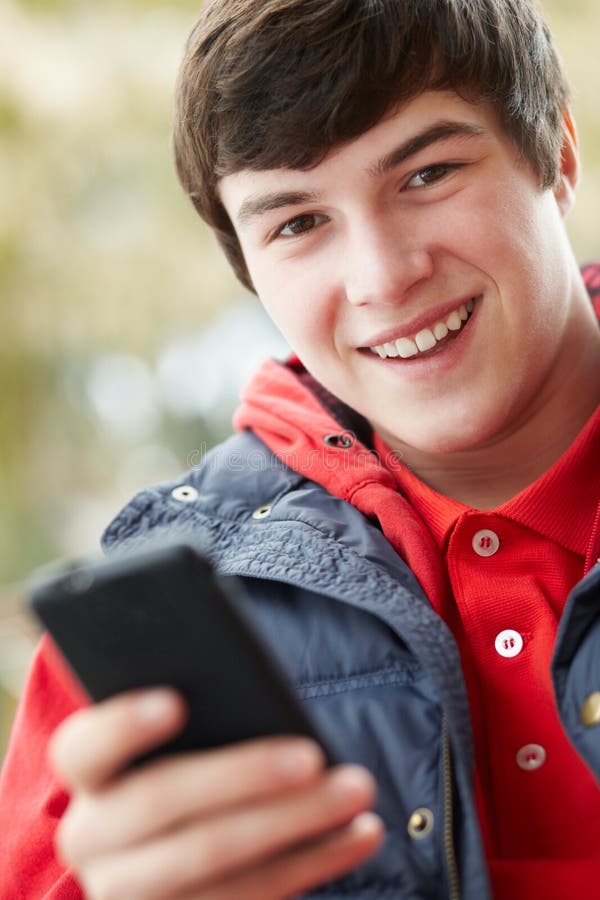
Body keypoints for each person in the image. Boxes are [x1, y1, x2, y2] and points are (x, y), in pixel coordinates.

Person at [2, 0, 600, 897]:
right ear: (249, 269)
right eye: (296, 224)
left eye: (429, 173)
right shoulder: (143, 648)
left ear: (558, 155)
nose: (383, 276)